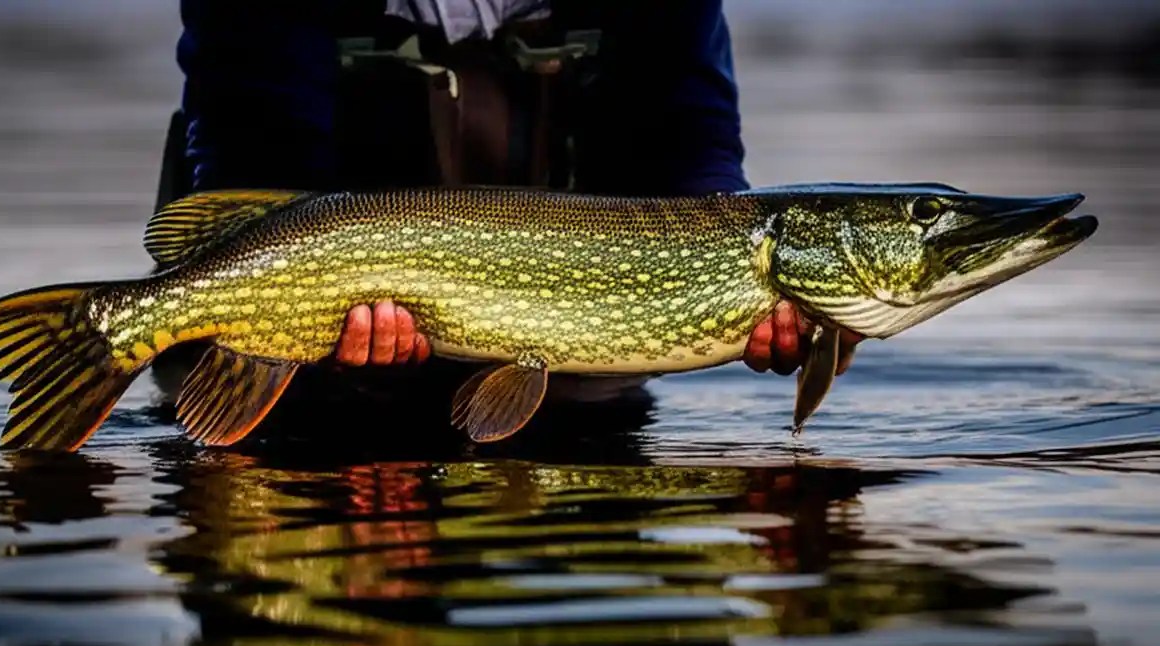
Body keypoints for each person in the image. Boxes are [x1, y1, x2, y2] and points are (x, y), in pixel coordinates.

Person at [166, 0, 862, 398]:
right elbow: (255, 131)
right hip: (301, 332)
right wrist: (314, 301)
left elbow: (688, 134)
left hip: (575, 357)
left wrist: (781, 304)